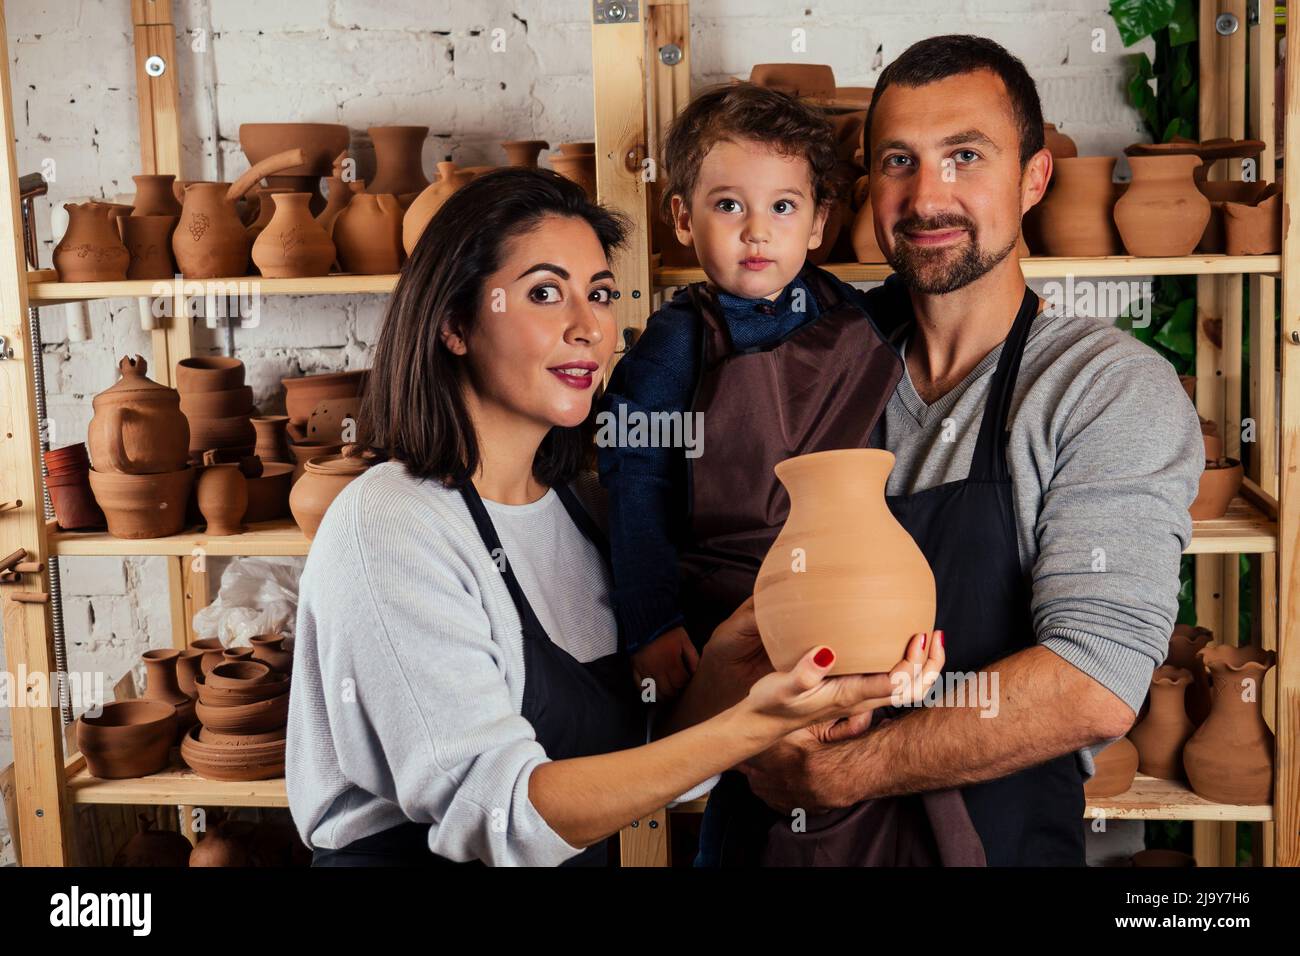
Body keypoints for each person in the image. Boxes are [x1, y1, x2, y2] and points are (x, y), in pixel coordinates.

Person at [284, 166, 944, 867]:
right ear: (454, 324)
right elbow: (495, 813)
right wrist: (750, 729)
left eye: (599, 295)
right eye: (544, 294)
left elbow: (640, 762)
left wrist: (738, 667)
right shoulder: (391, 523)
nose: (588, 328)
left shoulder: (586, 508)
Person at [729, 35, 1203, 866]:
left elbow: (1091, 686)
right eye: (899, 161)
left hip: (994, 844)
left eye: (965, 156)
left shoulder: (1103, 388)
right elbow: (726, 603)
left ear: (1034, 179)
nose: (926, 197)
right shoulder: (808, 365)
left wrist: (839, 774)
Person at [599, 84, 902, 696]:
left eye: (783, 207)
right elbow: (635, 483)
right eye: (730, 206)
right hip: (727, 603)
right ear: (684, 219)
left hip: (848, 585)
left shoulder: (855, 314)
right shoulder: (674, 343)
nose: (757, 231)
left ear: (819, 222)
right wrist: (650, 624)